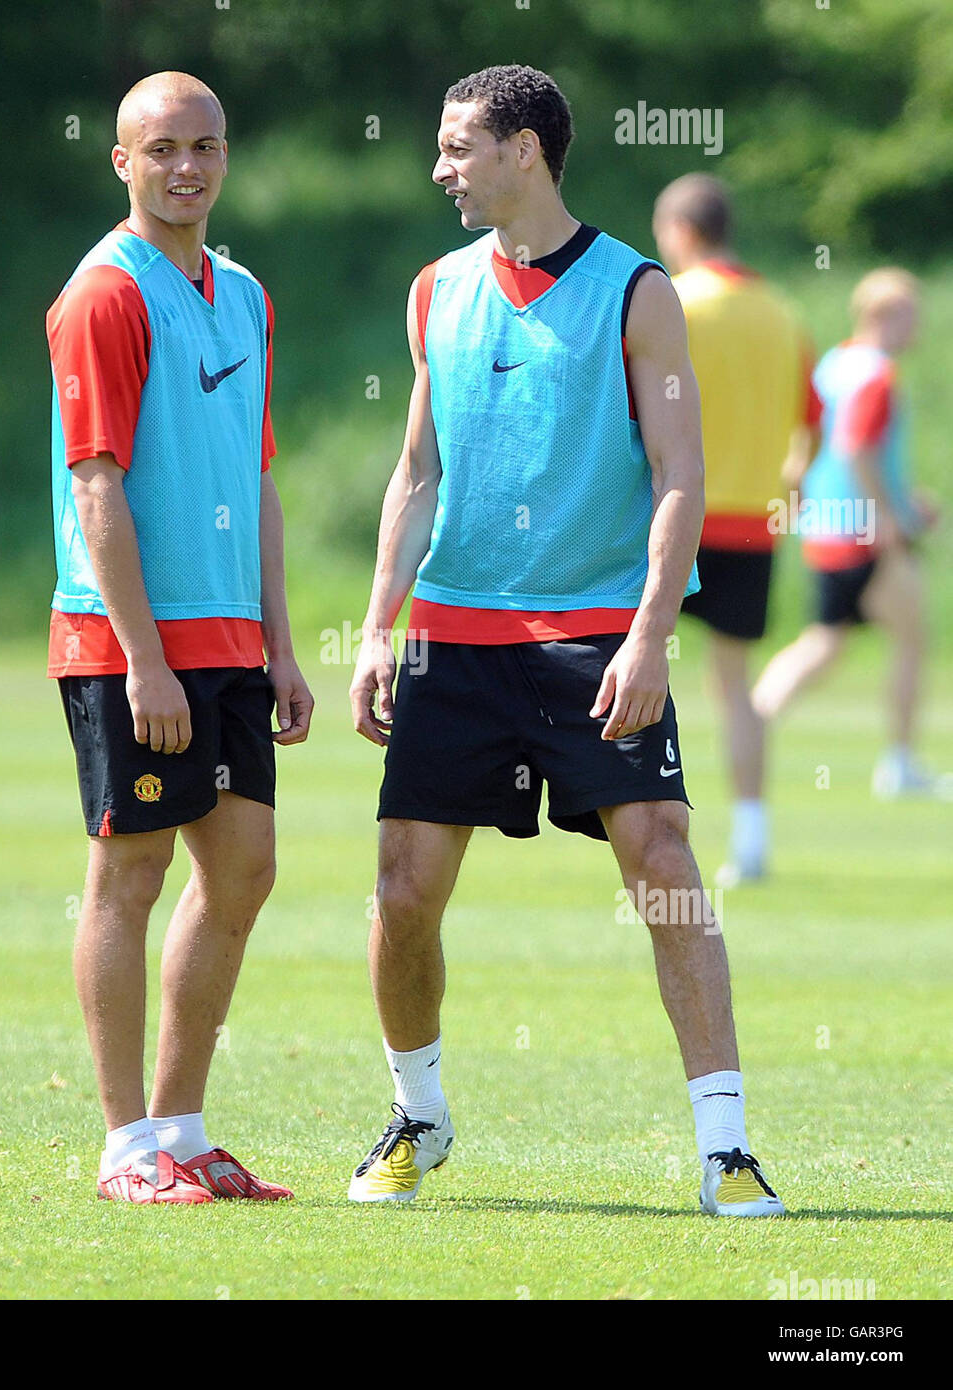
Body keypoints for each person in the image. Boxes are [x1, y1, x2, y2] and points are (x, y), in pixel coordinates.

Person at [347, 65, 783, 1217]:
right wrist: (377, 628)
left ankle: (725, 1147)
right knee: (401, 891)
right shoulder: (434, 288)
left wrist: (648, 636)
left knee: (666, 867)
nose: (440, 168)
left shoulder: (639, 292)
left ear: (526, 149)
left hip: (597, 635)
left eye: (458, 147)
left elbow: (679, 478)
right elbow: (417, 471)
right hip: (455, 636)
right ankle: (418, 1112)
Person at [46, 71, 313, 1205]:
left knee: (243, 867)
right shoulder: (104, 294)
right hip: (129, 646)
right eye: (162, 149)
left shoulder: (245, 292)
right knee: (131, 874)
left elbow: (254, 478)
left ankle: (182, 1128)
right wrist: (143, 654)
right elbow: (97, 485)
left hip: (231, 639)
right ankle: (123, 1149)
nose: (187, 167)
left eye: (205, 145)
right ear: (122, 161)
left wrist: (283, 644)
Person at [653, 174, 822, 883]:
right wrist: (788, 486)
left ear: (682, 231)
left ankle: (643, 827)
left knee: (637, 669)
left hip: (672, 516)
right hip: (753, 523)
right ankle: (750, 839)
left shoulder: (675, 303)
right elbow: (810, 425)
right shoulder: (782, 311)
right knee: (735, 685)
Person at [752, 268, 941, 797]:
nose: (917, 328)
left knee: (835, 641)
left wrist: (902, 502)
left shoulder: (834, 364)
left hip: (829, 526)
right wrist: (892, 516)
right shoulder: (878, 373)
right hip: (864, 533)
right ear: (883, 314)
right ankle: (897, 764)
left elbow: (821, 442)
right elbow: (857, 447)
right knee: (891, 638)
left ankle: (757, 719)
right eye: (910, 315)